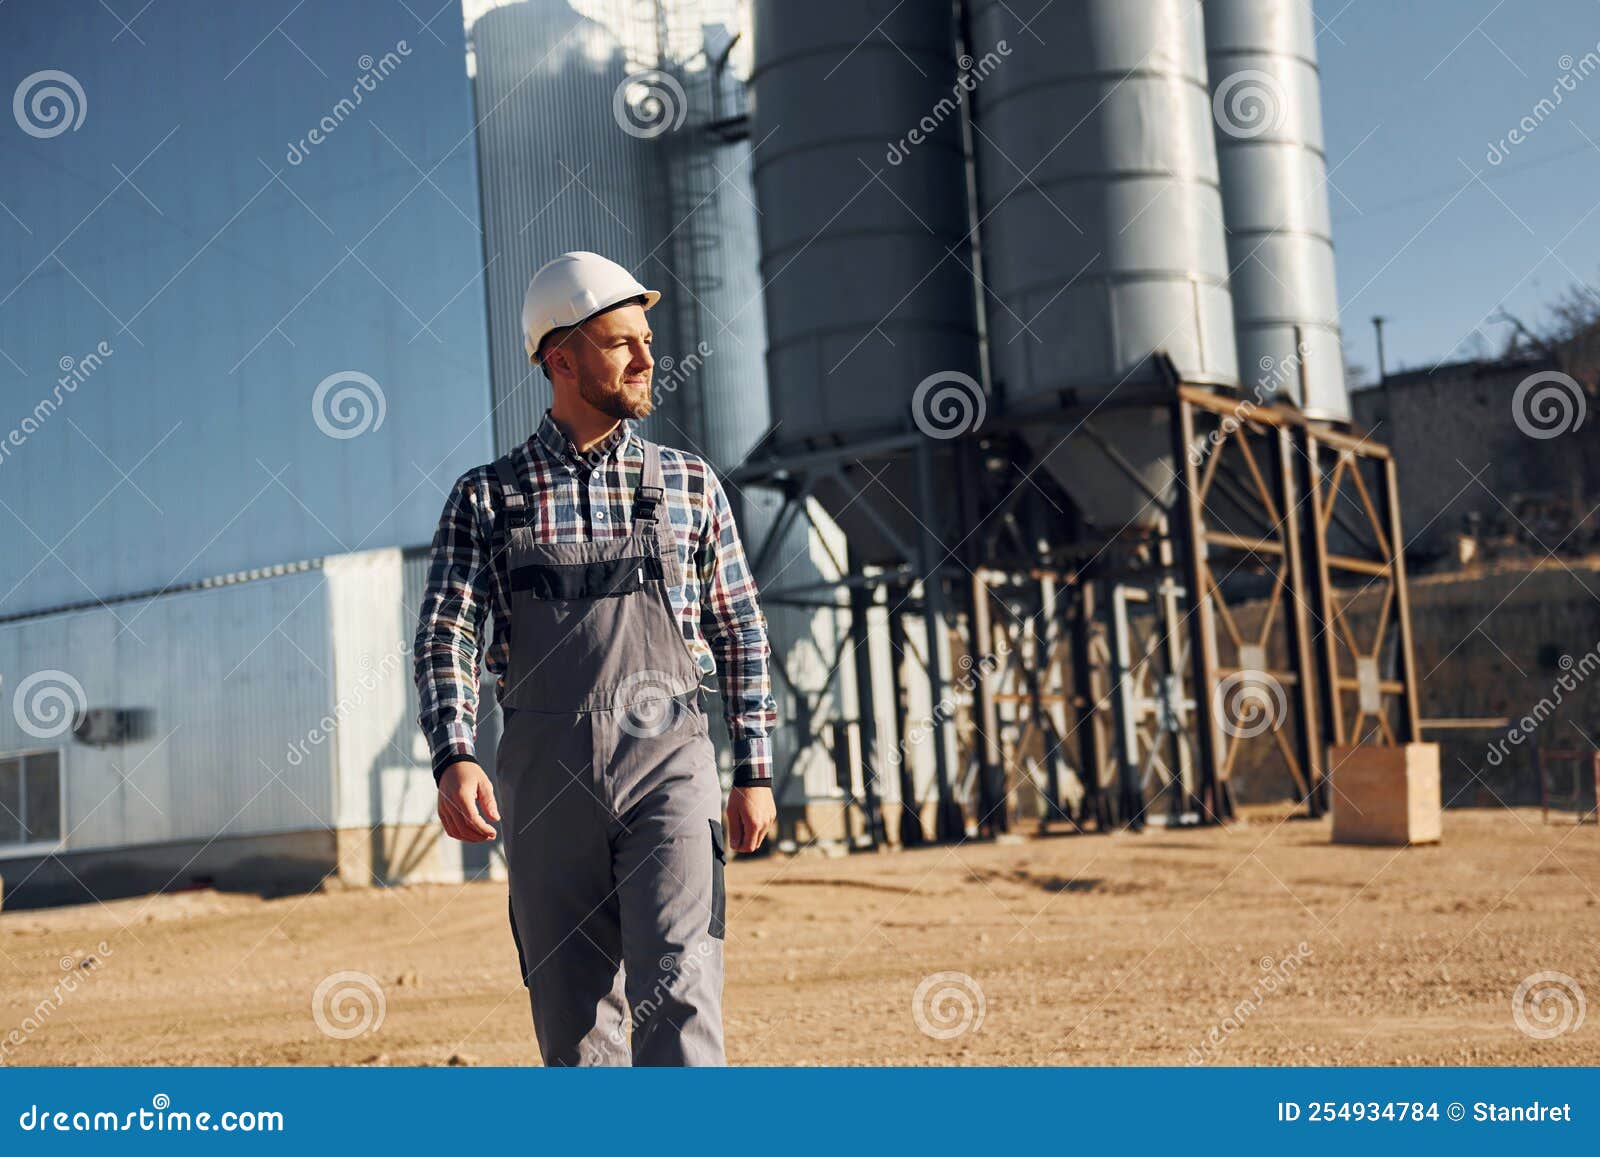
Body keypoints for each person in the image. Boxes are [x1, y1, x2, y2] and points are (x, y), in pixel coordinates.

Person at [412, 251, 778, 1066]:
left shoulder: (688, 484)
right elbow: (446, 632)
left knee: (680, 988)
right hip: (545, 782)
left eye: (646, 340)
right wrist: (454, 753)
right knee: (574, 1022)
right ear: (561, 359)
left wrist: (753, 765)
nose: (648, 359)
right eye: (623, 344)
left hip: (670, 766)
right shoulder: (486, 498)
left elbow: (740, 627)